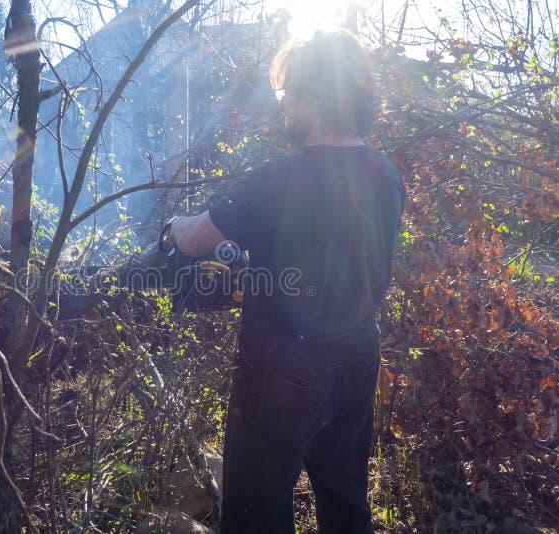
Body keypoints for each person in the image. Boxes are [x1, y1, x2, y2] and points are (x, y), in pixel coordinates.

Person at [166, 29, 406, 533]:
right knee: (345, 501)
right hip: (360, 352)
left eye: (290, 95)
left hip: (283, 366)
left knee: (255, 512)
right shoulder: (385, 173)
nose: (286, 107)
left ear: (311, 97)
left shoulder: (274, 179)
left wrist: (173, 225)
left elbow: (192, 240)